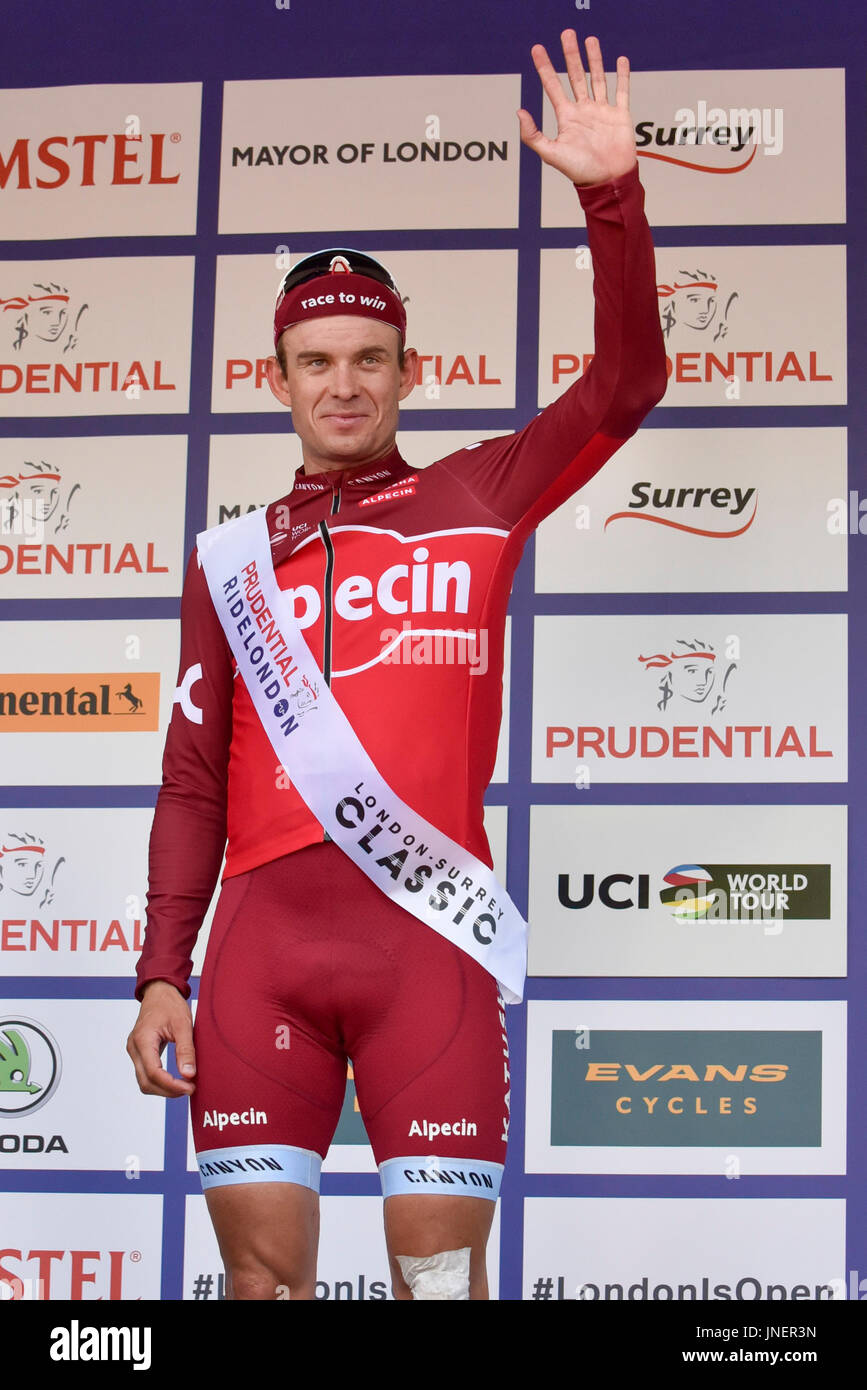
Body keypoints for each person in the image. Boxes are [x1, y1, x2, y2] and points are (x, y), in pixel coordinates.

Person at [127, 31, 667, 1301]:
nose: (346, 384)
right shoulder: (228, 561)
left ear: (410, 370)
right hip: (262, 953)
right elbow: (193, 779)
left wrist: (611, 197)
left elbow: (629, 381)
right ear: (279, 381)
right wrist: (163, 969)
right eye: (318, 362)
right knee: (262, 1286)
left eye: (371, 358)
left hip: (428, 945)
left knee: (441, 1288)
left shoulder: (480, 491)